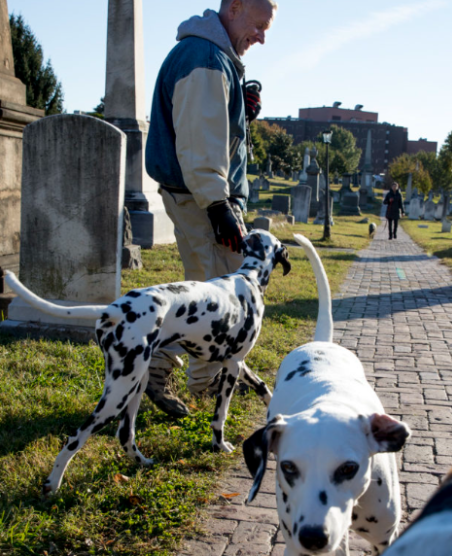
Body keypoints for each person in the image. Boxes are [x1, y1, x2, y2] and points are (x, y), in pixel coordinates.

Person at [143, 0, 278, 418]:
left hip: (202, 195)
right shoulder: (204, 57)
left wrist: (242, 111)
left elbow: (211, 131)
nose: (261, 37)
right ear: (234, 7)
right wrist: (219, 206)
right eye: (258, 25)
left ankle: (199, 376)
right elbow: (199, 145)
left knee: (213, 293)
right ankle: (196, 383)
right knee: (211, 297)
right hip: (202, 198)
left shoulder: (215, 57)